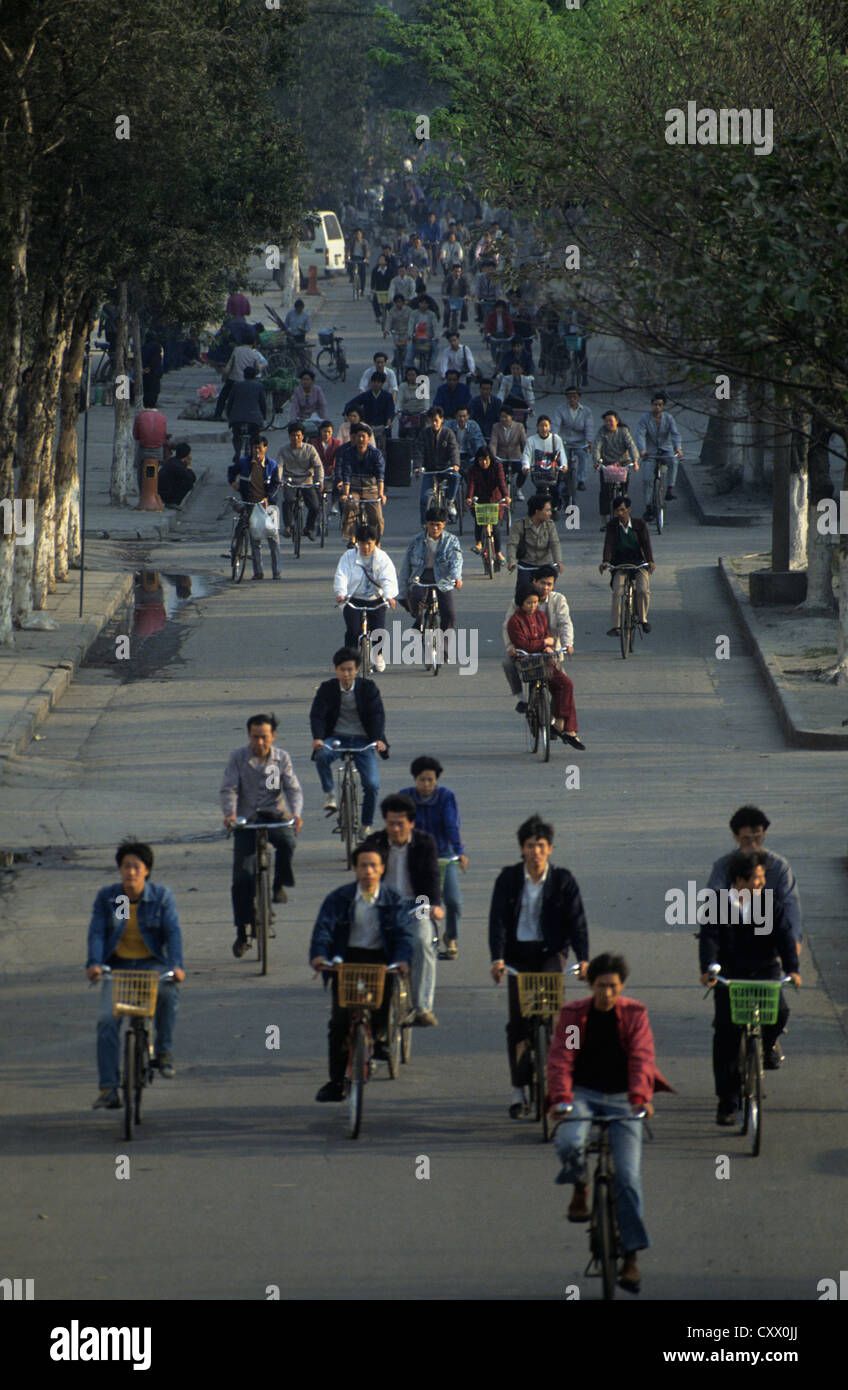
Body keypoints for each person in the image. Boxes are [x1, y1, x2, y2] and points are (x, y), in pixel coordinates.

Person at [549, 951, 672, 1295]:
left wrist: (639, 1098)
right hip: (583, 1095)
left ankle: (630, 1255)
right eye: (601, 986)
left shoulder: (633, 1015)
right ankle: (579, 1185)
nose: (606, 993)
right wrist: (561, 1098)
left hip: (623, 1099)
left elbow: (641, 1058)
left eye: (613, 987)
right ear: (590, 986)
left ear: (622, 987)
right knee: (570, 1143)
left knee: (629, 1179)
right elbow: (563, 1057)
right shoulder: (575, 1017)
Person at [489, 815, 589, 1118]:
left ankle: (560, 1081)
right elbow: (497, 923)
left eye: (541, 846)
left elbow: (577, 922)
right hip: (517, 956)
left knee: (556, 1019)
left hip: (550, 954)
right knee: (517, 1025)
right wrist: (497, 958)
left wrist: (583, 959)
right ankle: (518, 1091)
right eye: (530, 846)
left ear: (550, 849)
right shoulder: (508, 879)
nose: (535, 851)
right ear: (522, 849)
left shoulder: (563, 880)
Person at [699, 850, 800, 1124]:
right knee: (726, 1037)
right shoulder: (718, 905)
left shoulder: (770, 904)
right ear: (740, 880)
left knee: (780, 1013)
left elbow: (785, 937)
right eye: (757, 878)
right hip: (730, 977)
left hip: (765, 972)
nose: (762, 882)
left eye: (762, 877)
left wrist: (792, 968)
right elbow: (709, 939)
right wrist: (708, 968)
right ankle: (727, 1102)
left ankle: (766, 1046)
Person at [308, 842, 414, 1102]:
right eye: (363, 865)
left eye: (373, 866)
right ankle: (336, 1081)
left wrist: (401, 960)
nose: (368, 871)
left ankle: (380, 1039)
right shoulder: (339, 898)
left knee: (381, 1006)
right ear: (355, 868)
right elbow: (324, 929)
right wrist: (319, 956)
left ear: (382, 869)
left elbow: (403, 935)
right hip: (346, 958)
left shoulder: (393, 900)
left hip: (380, 959)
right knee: (339, 1022)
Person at [86, 840, 185, 1108]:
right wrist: (94, 963)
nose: (130, 872)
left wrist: (176, 966)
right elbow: (98, 932)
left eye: (136, 867)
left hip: (151, 965)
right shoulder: (112, 898)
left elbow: (172, 933)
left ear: (147, 871)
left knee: (168, 992)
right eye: (125, 867)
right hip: (117, 967)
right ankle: (108, 1087)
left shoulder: (161, 897)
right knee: (107, 1021)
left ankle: (163, 1051)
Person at [220, 714, 304, 958]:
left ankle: (279, 884)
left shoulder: (281, 758)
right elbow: (229, 788)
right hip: (246, 820)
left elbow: (293, 788)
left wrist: (296, 814)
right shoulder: (238, 758)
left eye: (264, 737)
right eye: (255, 737)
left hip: (275, 815)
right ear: (249, 736)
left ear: (273, 736)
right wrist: (231, 814)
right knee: (242, 877)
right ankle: (242, 931)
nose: (259, 742)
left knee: (288, 842)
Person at [364, 796, 442, 1025]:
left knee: (421, 940)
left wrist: (433, 906)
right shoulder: (375, 842)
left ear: (411, 823)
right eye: (390, 823)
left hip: (416, 904)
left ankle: (422, 1007)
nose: (395, 829)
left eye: (400, 823)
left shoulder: (425, 843)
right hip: (382, 905)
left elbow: (432, 877)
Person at [310, 646, 389, 834]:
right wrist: (319, 738)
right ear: (336, 669)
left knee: (372, 784)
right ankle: (329, 794)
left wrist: (378, 740)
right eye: (342, 669)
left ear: (357, 669)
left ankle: (366, 824)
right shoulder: (327, 689)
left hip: (363, 740)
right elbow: (317, 716)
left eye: (350, 669)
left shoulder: (368, 688)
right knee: (322, 756)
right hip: (336, 738)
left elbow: (377, 715)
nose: (346, 674)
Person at [707, 806, 802, 951]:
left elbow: (790, 904)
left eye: (757, 837)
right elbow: (713, 901)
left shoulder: (779, 867)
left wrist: (793, 940)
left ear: (764, 834)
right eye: (746, 839)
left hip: (770, 938)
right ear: (736, 837)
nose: (752, 845)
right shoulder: (722, 866)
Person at [399, 756, 467, 960]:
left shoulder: (446, 796)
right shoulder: (405, 798)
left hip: (444, 856)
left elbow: (451, 825)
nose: (426, 785)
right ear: (414, 779)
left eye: (430, 780)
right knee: (420, 904)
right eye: (422, 780)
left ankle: (451, 936)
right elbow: (397, 827)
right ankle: (417, 940)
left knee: (453, 902)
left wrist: (459, 851)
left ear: (436, 780)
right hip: (416, 859)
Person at [507, 584, 584, 747]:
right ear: (521, 603)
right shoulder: (515, 621)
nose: (533, 606)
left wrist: (551, 645)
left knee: (565, 685)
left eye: (535, 603)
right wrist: (543, 643)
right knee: (510, 667)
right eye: (529, 603)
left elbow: (550, 634)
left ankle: (561, 724)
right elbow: (523, 643)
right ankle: (525, 702)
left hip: (545, 659)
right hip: (527, 662)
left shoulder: (541, 616)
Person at [502, 565, 573, 707]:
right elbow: (507, 626)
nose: (545, 588)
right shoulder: (520, 598)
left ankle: (556, 720)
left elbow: (565, 623)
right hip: (524, 650)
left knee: (562, 684)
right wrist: (510, 647)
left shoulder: (558, 600)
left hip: (550, 649)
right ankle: (520, 698)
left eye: (549, 584)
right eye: (542, 583)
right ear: (534, 581)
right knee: (508, 663)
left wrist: (567, 644)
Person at [334, 523, 398, 672]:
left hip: (375, 599)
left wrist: (389, 596)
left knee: (378, 630)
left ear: (375, 542)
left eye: (369, 543)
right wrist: (341, 593)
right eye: (362, 543)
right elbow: (341, 575)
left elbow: (388, 578)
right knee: (352, 631)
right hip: (353, 598)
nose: (366, 547)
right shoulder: (348, 557)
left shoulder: (382, 558)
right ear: (357, 542)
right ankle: (350, 661)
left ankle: (378, 655)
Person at [399, 506, 463, 639]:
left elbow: (456, 560)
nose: (434, 528)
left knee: (449, 614)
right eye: (431, 524)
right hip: (421, 576)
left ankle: (444, 648)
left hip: (442, 578)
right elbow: (406, 566)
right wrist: (402, 589)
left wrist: (457, 577)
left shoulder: (451, 541)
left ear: (444, 525)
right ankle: (419, 619)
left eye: (438, 525)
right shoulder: (416, 541)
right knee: (414, 597)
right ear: (426, 524)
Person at [228, 436, 282, 580]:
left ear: (265, 448)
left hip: (267, 506)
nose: (257, 451)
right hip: (249, 504)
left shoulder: (272, 465)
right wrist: (233, 482)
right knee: (254, 540)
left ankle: (277, 572)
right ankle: (258, 572)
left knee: (273, 539)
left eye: (259, 448)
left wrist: (267, 498)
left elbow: (276, 484)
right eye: (254, 448)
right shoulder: (244, 463)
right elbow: (231, 471)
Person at [599, 496, 655, 636]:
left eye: (622, 510)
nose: (620, 513)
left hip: (638, 562)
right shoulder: (612, 525)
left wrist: (650, 561)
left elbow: (646, 544)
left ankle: (643, 619)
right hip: (620, 563)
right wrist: (606, 561)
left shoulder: (639, 525)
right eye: (617, 511)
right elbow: (609, 544)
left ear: (629, 510)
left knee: (642, 589)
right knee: (618, 591)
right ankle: (616, 626)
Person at [338, 423, 387, 543]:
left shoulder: (376, 454)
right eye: (358, 436)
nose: (360, 439)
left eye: (363, 436)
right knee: (350, 505)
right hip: (354, 488)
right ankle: (351, 536)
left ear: (369, 438)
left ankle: (377, 542)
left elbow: (380, 475)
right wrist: (345, 493)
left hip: (371, 489)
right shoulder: (348, 453)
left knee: (377, 519)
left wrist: (381, 493)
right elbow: (347, 475)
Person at [636, 392, 684, 514]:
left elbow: (675, 434)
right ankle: (648, 507)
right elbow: (640, 435)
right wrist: (642, 450)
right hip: (650, 452)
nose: (657, 407)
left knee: (674, 461)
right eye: (655, 404)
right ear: (651, 405)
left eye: (660, 405)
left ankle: (669, 489)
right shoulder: (645, 419)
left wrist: (677, 447)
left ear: (663, 407)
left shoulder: (668, 418)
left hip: (666, 449)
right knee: (647, 479)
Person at [507, 493, 563, 594]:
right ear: (537, 511)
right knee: (522, 594)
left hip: (545, 566)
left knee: (547, 593)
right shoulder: (519, 524)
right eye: (547, 510)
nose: (550, 513)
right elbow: (512, 544)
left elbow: (555, 543)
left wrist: (558, 561)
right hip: (526, 565)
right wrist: (511, 561)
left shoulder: (550, 525)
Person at [413, 407, 461, 522]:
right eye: (431, 420)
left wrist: (455, 464)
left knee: (456, 476)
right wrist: (417, 466)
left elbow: (454, 450)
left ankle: (450, 501)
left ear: (442, 420)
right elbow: (418, 451)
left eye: (436, 420)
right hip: (430, 470)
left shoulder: (448, 433)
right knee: (424, 499)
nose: (434, 423)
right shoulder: (424, 434)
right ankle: (424, 524)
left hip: (445, 469)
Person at [593, 410, 640, 527]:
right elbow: (596, 447)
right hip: (607, 464)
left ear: (617, 421)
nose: (608, 423)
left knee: (624, 493)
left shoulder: (624, 431)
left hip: (623, 463)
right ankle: (604, 521)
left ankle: (625, 518)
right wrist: (597, 461)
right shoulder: (602, 432)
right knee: (604, 493)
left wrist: (635, 461)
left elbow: (631, 446)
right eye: (606, 421)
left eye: (611, 421)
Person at [278, 422, 323, 540]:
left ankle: (309, 528)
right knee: (288, 500)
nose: (296, 438)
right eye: (293, 435)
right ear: (289, 436)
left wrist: (319, 481)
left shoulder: (310, 449)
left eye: (298, 435)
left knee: (315, 506)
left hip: (306, 481)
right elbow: (279, 466)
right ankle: (288, 526)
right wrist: (279, 480)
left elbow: (318, 466)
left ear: (303, 436)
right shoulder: (283, 450)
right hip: (290, 480)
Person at [465, 446, 508, 566]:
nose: (484, 463)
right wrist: (469, 498)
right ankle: (478, 543)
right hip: (479, 499)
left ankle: (498, 553)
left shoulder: (497, 466)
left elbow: (501, 482)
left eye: (486, 459)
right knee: (479, 521)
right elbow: (471, 484)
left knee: (496, 526)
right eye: (481, 460)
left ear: (490, 459)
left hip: (495, 499)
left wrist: (506, 496)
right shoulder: (473, 469)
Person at [520, 415, 568, 510]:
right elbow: (527, 455)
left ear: (550, 427)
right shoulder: (531, 440)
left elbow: (562, 453)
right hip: (538, 473)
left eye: (546, 425)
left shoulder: (556, 439)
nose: (544, 428)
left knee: (555, 490)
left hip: (553, 472)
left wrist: (564, 465)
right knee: (540, 491)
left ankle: (554, 508)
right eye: (541, 425)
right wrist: (526, 466)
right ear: (537, 427)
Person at [552, 387, 593, 492]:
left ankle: (581, 480)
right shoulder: (560, 410)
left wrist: (589, 441)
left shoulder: (586, 411)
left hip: (580, 443)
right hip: (564, 442)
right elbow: (555, 426)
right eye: (569, 397)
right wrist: (553, 441)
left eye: (574, 396)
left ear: (579, 397)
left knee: (583, 457)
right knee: (560, 459)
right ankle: (562, 479)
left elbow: (589, 428)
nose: (572, 399)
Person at [343, 372, 396, 453]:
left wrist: (389, 419)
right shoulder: (366, 395)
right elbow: (350, 404)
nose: (376, 384)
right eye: (374, 382)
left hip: (382, 426)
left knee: (382, 449)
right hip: (368, 426)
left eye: (378, 382)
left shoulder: (387, 396)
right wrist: (346, 414)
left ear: (382, 384)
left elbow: (391, 410)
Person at [226, 365, 266, 464]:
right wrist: (263, 417)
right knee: (255, 436)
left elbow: (230, 402)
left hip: (237, 418)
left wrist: (229, 415)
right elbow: (263, 404)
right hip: (254, 419)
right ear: (255, 376)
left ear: (244, 375)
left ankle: (237, 452)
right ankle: (253, 454)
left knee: (236, 435)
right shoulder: (259, 386)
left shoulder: (236, 385)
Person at [132, 405, 168, 492]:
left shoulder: (139, 417)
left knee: (141, 473)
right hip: (158, 451)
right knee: (155, 473)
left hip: (143, 450)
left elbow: (136, 436)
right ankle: (154, 492)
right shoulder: (162, 417)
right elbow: (164, 435)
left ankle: (143, 493)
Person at [314, 419, 342, 515]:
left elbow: (338, 458)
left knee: (338, 481)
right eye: (324, 431)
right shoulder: (314, 442)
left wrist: (333, 467)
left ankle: (333, 503)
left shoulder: (337, 443)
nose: (326, 434)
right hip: (317, 469)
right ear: (320, 431)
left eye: (329, 432)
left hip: (331, 469)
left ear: (332, 432)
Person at [156, 441, 196, 507]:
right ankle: (174, 502)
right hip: (164, 493)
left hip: (161, 490)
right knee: (188, 483)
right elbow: (192, 478)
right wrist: (188, 466)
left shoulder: (173, 460)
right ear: (186, 455)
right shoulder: (178, 466)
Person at [405, 295, 440, 370]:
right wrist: (409, 335)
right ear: (419, 304)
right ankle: (410, 367)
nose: (423, 305)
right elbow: (410, 325)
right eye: (421, 303)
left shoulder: (432, 315)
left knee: (436, 348)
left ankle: (432, 364)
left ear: (428, 305)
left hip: (428, 338)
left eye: (425, 303)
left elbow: (435, 326)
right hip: (416, 338)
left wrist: (437, 336)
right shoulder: (414, 314)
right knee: (409, 352)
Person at [445, 404, 485, 469]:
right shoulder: (449, 425)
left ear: (468, 416)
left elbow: (479, 443)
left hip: (469, 456)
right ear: (455, 416)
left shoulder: (473, 426)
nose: (462, 419)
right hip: (453, 456)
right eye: (459, 416)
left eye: (464, 416)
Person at [397, 366, 430, 437]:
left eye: (413, 375)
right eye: (409, 375)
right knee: (402, 432)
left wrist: (426, 410)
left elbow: (426, 402)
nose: (411, 377)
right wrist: (398, 411)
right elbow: (399, 400)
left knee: (422, 432)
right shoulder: (403, 386)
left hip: (419, 413)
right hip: (406, 413)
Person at [441, 262, 471, 327]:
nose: (457, 273)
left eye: (459, 271)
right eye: (455, 271)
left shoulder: (464, 279)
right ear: (452, 271)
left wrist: (467, 295)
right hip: (450, 297)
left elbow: (467, 288)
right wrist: (444, 294)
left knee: (465, 306)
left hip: (460, 297)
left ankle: (462, 322)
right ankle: (446, 322)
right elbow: (444, 287)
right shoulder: (448, 278)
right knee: (447, 309)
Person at [370, 252, 394, 326]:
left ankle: (392, 317)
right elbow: (373, 281)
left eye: (382, 259)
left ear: (386, 261)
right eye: (379, 259)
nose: (380, 261)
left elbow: (393, 282)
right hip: (379, 291)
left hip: (389, 290)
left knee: (391, 304)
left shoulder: (390, 270)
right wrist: (372, 289)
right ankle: (378, 316)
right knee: (374, 300)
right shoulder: (375, 270)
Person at [141, 334, 163, 408]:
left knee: (147, 388)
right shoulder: (156, 346)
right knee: (154, 389)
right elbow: (156, 360)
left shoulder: (144, 347)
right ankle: (152, 403)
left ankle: (147, 403)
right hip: (154, 370)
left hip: (146, 370)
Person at [347, 228, 369, 294]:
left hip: (362, 258)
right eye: (356, 234)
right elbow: (348, 250)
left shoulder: (364, 242)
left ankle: (362, 289)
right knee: (350, 266)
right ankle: (351, 277)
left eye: (359, 234)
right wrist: (347, 257)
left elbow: (367, 251)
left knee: (363, 274)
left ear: (361, 235)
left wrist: (366, 259)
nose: (358, 236)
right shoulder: (352, 242)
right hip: (354, 257)